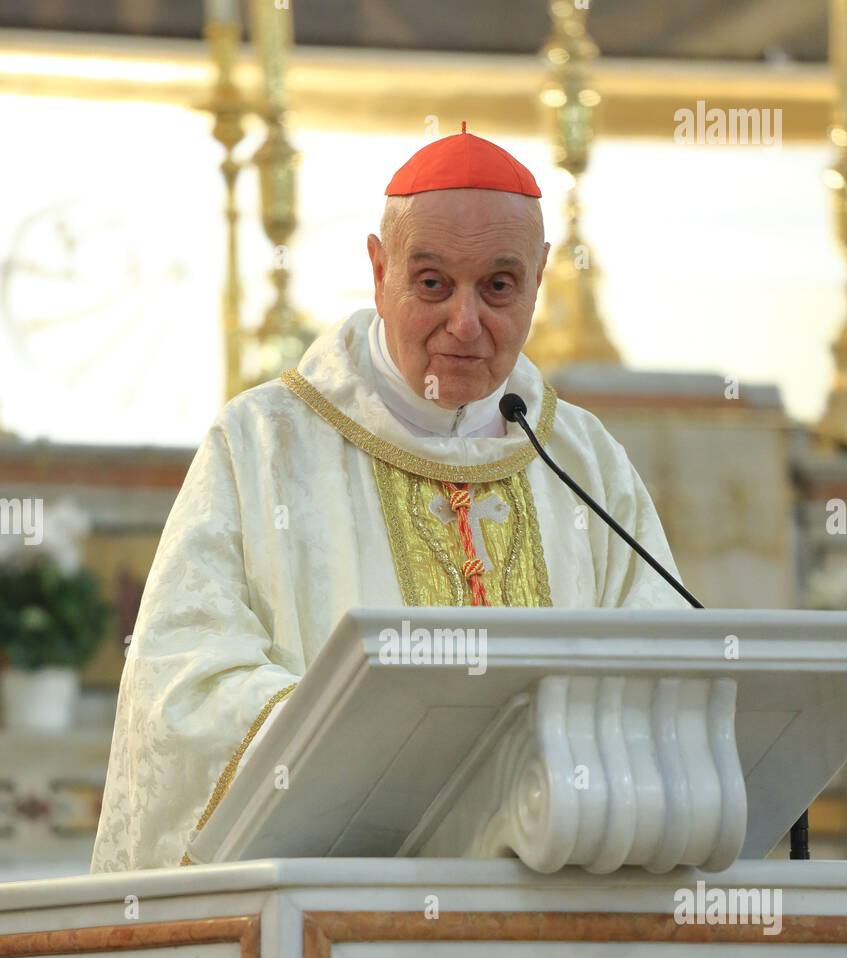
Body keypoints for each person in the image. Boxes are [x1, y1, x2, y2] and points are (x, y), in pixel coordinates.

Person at [91, 127, 687, 874]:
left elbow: (669, 668)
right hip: (336, 894)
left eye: (499, 287)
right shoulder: (263, 444)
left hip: (553, 896)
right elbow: (183, 682)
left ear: (539, 278)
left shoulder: (583, 461)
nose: (465, 323)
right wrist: (373, 749)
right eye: (432, 283)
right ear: (379, 272)